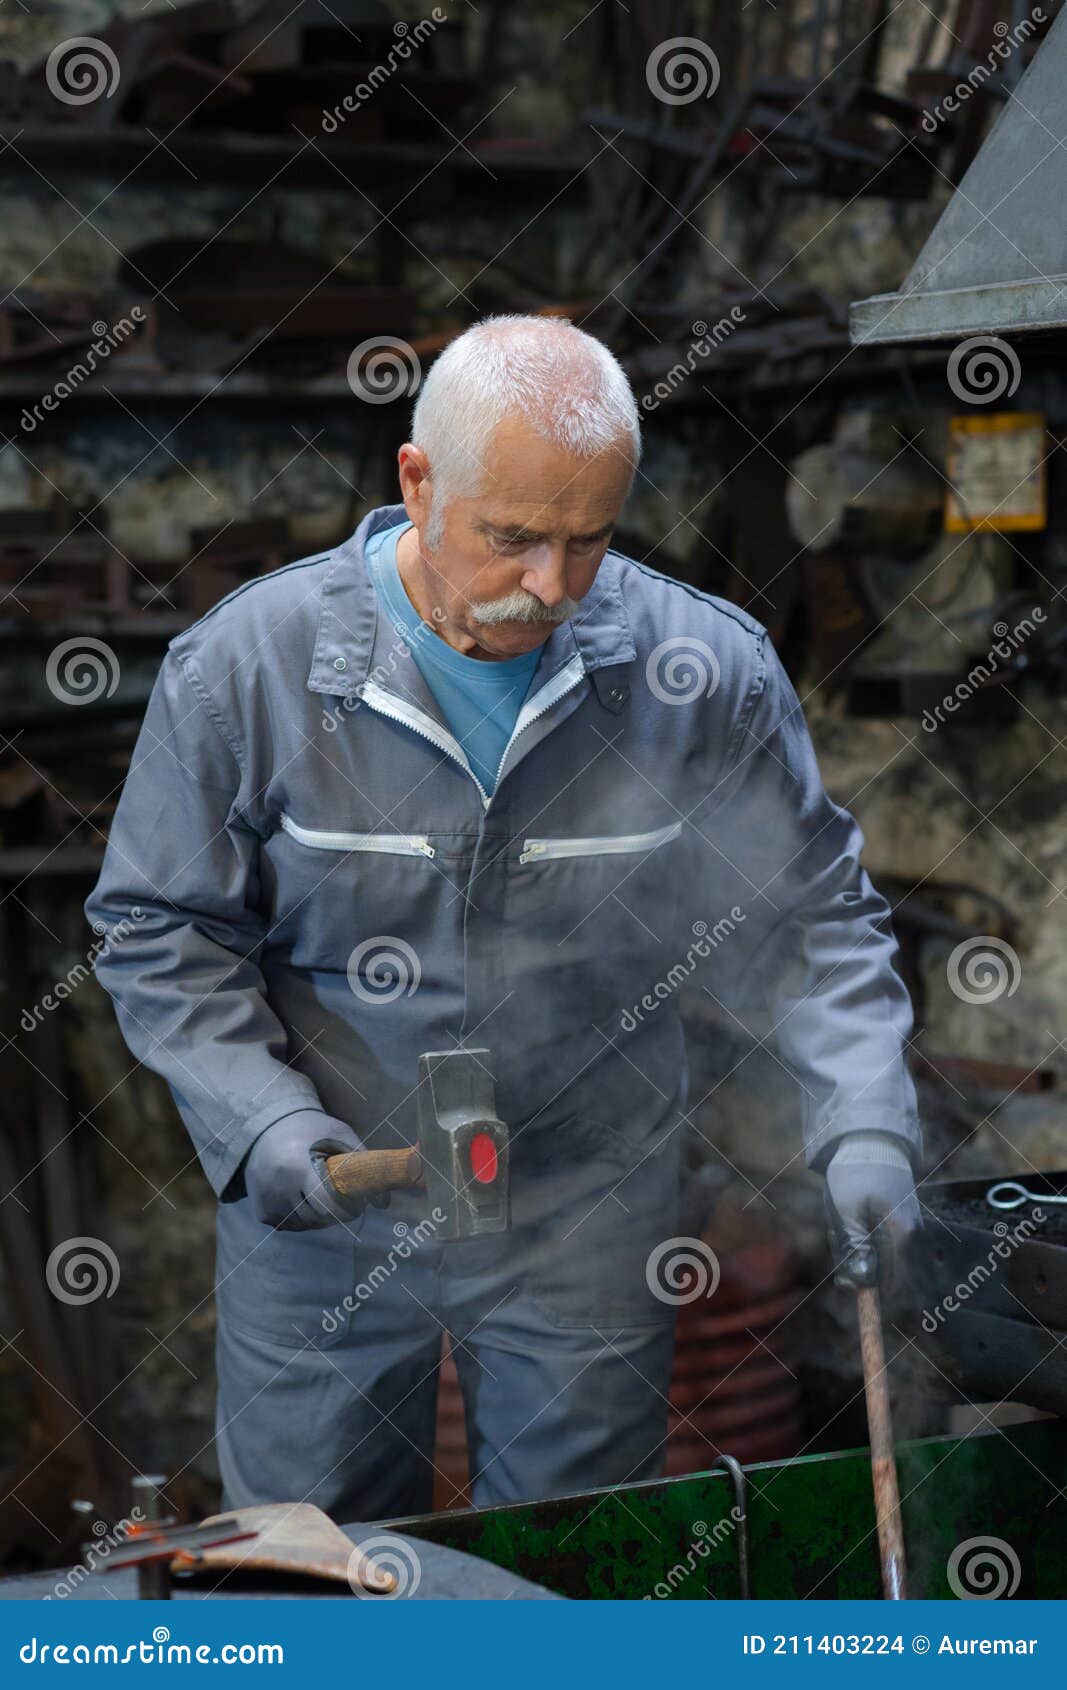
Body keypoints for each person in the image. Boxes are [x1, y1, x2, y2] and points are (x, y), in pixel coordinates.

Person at [85, 314, 921, 1520]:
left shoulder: (701, 676)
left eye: (589, 541)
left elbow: (813, 922)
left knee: (572, 1561)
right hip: (334, 1205)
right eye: (514, 538)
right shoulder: (246, 672)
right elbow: (161, 929)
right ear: (417, 482)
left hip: (583, 1209)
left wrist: (866, 1124)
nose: (551, 587)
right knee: (311, 1559)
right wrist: (263, 1120)